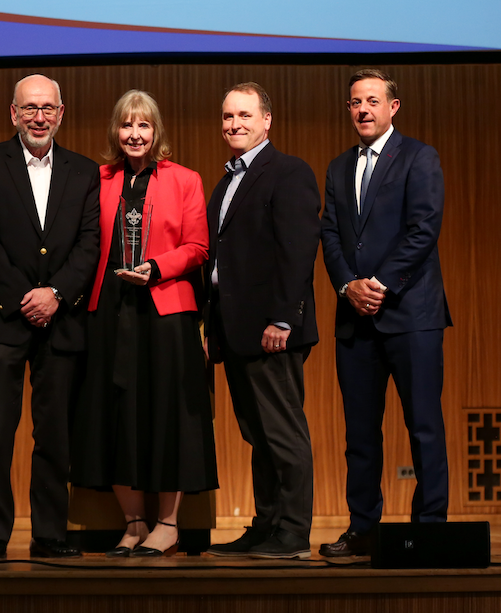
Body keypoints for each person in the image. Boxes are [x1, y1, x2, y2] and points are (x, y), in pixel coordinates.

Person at [70, 90, 217, 557]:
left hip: (166, 311)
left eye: (144, 125)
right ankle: (133, 523)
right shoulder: (97, 179)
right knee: (112, 415)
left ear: (157, 132)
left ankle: (168, 524)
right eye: (126, 125)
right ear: (115, 131)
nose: (134, 134)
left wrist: (156, 267)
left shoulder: (186, 180)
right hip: (109, 311)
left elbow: (198, 248)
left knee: (167, 414)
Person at [0, 74, 100, 560]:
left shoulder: (85, 172)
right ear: (13, 113)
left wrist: (56, 294)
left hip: (61, 321)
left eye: (47, 108)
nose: (38, 117)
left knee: (54, 436)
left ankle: (50, 535)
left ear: (61, 114)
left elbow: (90, 245)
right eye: (29, 108)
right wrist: (25, 297)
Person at [319, 69, 451, 557]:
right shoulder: (337, 167)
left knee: (424, 426)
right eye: (355, 102)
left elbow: (424, 227)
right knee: (359, 435)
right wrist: (347, 285)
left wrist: (379, 284)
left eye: (372, 101)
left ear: (393, 107)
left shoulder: (419, 156)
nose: (363, 110)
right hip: (355, 318)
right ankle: (363, 529)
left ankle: (430, 529)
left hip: (411, 314)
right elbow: (330, 235)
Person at [204, 82, 321, 559]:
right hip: (235, 334)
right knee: (257, 435)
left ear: (267, 120)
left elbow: (297, 253)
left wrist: (283, 320)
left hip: (272, 332)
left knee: (283, 432)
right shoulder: (226, 180)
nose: (235, 124)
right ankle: (266, 525)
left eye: (245, 115)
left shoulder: (288, 172)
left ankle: (292, 533)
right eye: (229, 116)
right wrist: (213, 329)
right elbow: (220, 262)